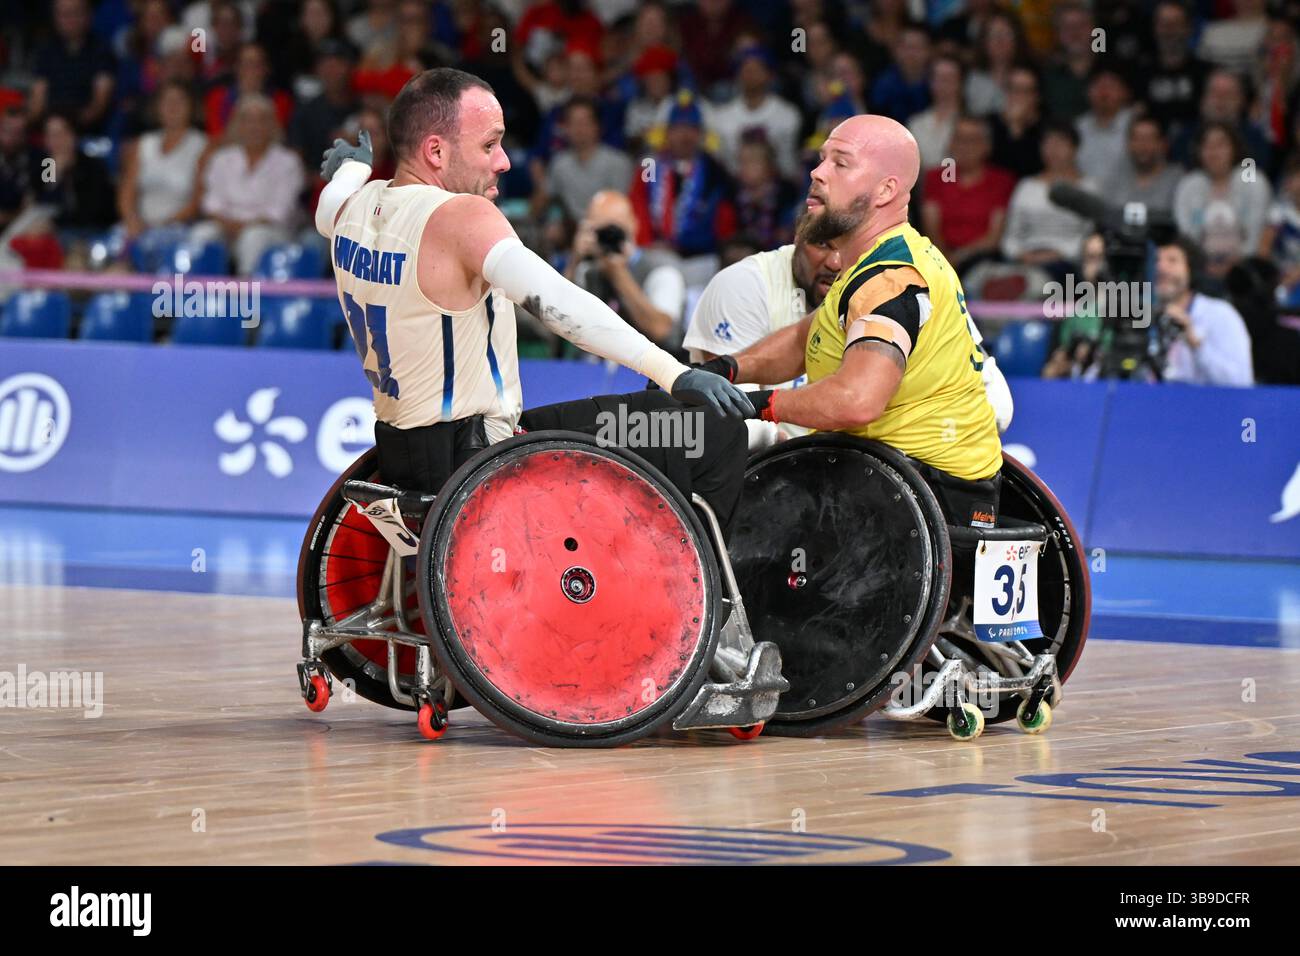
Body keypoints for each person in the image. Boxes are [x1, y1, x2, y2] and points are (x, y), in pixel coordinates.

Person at [313, 68, 752, 532]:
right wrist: (673, 372)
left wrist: (353, 168)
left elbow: (329, 206)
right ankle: (700, 591)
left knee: (638, 415)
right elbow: (558, 305)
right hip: (481, 459)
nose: (503, 161)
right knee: (706, 429)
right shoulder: (459, 217)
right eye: (489, 145)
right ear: (436, 152)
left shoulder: (353, 210)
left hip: (400, 449)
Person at [712, 114, 1006, 527]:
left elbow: (858, 400)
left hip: (919, 493)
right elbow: (805, 338)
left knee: (729, 516)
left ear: (886, 190)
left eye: (840, 163)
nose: (817, 172)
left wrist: (756, 405)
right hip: (902, 478)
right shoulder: (882, 258)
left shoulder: (889, 278)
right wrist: (725, 370)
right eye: (821, 159)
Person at [1154, 237, 1254, 386]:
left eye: (1172, 261)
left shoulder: (1220, 315)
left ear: (1190, 269)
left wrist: (1195, 344)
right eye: (1155, 260)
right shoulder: (1137, 315)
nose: (1161, 268)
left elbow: (1241, 382)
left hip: (1206, 407)